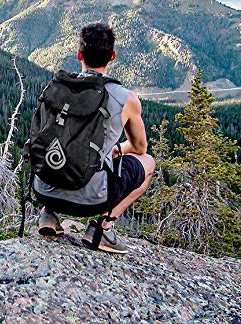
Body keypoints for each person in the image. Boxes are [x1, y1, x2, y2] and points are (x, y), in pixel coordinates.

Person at [35, 23, 155, 254]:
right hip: (92, 199)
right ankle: (104, 228)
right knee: (148, 163)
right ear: (112, 56)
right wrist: (114, 149)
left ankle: (49, 215)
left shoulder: (56, 88)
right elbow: (140, 147)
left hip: (44, 188)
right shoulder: (125, 99)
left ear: (79, 54)